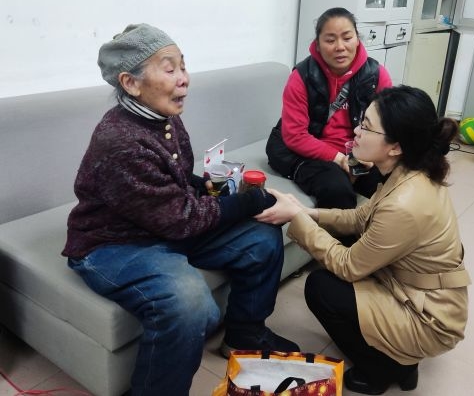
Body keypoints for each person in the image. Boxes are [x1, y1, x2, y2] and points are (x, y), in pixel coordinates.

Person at [62, 24, 298, 396]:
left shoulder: (164, 118)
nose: (184, 78)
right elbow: (181, 219)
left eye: (183, 66)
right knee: (190, 305)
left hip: (162, 225)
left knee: (262, 235)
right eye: (169, 69)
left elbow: (172, 178)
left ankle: (245, 335)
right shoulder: (120, 141)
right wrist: (244, 201)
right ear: (131, 83)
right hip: (114, 244)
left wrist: (200, 184)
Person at [257, 86, 471, 395]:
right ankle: (399, 360)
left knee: (322, 288)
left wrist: (296, 219)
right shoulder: (409, 174)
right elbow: (360, 217)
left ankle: (384, 369)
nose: (356, 131)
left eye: (367, 127)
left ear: (395, 146)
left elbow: (348, 266)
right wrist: (307, 211)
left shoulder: (405, 202)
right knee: (335, 274)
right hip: (415, 290)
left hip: (429, 318)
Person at [266, 7, 393, 209]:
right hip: (309, 153)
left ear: (357, 39)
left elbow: (387, 126)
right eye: (330, 40)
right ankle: (335, 233)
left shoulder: (376, 75)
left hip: (358, 151)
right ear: (318, 44)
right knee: (337, 190)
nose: (340, 47)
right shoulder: (302, 76)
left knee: (396, 183)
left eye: (347, 38)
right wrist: (339, 159)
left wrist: (372, 155)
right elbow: (295, 135)